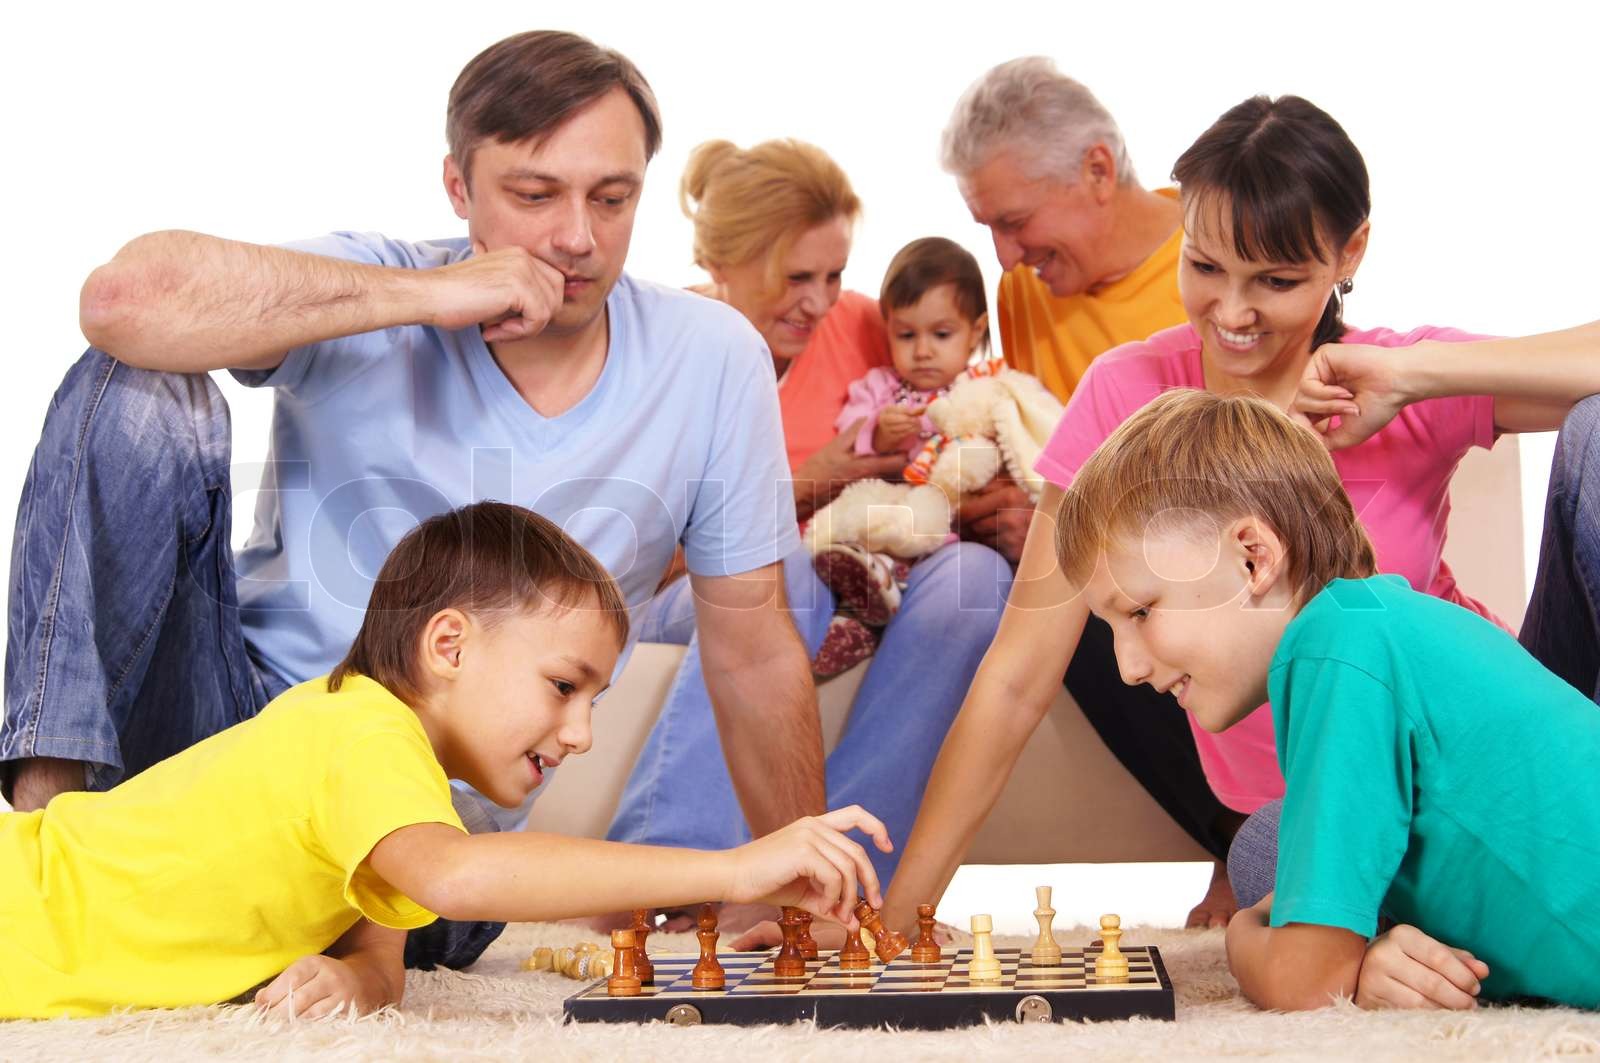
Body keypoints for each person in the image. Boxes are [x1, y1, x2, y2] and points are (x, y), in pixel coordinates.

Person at [2, 31, 818, 971]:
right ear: (458, 189)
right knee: (137, 383)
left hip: (427, 836)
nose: (577, 238)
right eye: (533, 193)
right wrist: (430, 294)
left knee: (410, 840)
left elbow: (753, 647)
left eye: (612, 197)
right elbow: (123, 299)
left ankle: (337, 937)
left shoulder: (711, 358)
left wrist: (793, 878)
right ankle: (44, 834)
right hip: (233, 744)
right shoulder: (380, 278)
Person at [878, 93, 1600, 942]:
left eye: (1278, 281)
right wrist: (899, 916)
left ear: (1349, 251)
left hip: (1483, 746)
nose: (1231, 313)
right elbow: (1017, 674)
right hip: (1313, 818)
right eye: (1206, 266)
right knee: (1268, 858)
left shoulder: (1387, 379)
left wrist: (1420, 374)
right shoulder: (1128, 392)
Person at [0, 502, 892, 1019]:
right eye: (562, 684)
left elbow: (386, 962)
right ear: (449, 645)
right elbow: (462, 879)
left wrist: (353, 974)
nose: (579, 732)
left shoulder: (390, 773)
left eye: (594, 702)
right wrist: (736, 866)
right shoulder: (357, 733)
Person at [1053, 389, 1600, 1011]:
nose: (1126, 666)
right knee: (1271, 849)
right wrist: (1358, 953)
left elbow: (1304, 979)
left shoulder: (1335, 647)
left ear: (1253, 557)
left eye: (1142, 611)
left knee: (1269, 876)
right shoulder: (1367, 618)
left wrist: (1244, 934)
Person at [605, 141, 1013, 904]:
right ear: (724, 262)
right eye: (797, 278)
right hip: (699, 593)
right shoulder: (659, 348)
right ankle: (667, 884)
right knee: (779, 570)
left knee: (976, 581)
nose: (821, 303)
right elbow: (626, 561)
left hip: (863, 570)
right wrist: (801, 485)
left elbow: (950, 418)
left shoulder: (857, 326)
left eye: (834, 276)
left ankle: (838, 884)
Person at [940, 57, 1240, 924]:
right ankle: (1244, 841)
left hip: (1212, 548)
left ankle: (1250, 841)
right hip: (1093, 558)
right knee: (1070, 606)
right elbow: (1032, 430)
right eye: (987, 227)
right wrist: (1006, 505)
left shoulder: (1216, 260)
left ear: (1099, 171)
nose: (1005, 254)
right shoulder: (1023, 286)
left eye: (1015, 221)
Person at [803, 237, 1061, 677]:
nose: (922, 350)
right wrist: (879, 433)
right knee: (861, 541)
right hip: (894, 514)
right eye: (906, 335)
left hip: (954, 529)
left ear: (976, 331)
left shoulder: (986, 387)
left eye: (941, 334)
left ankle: (874, 602)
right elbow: (852, 435)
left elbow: (1025, 438)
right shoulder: (881, 389)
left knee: (954, 567)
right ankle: (858, 615)